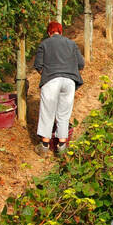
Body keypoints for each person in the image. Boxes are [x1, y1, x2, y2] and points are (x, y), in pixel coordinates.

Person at [32, 21, 83, 156]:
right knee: (64, 114)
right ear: (61, 31)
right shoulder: (72, 44)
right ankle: (61, 146)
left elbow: (38, 65)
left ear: (49, 33)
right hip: (70, 81)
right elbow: (81, 64)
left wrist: (49, 73)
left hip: (51, 80)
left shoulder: (44, 44)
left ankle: (44, 146)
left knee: (47, 112)